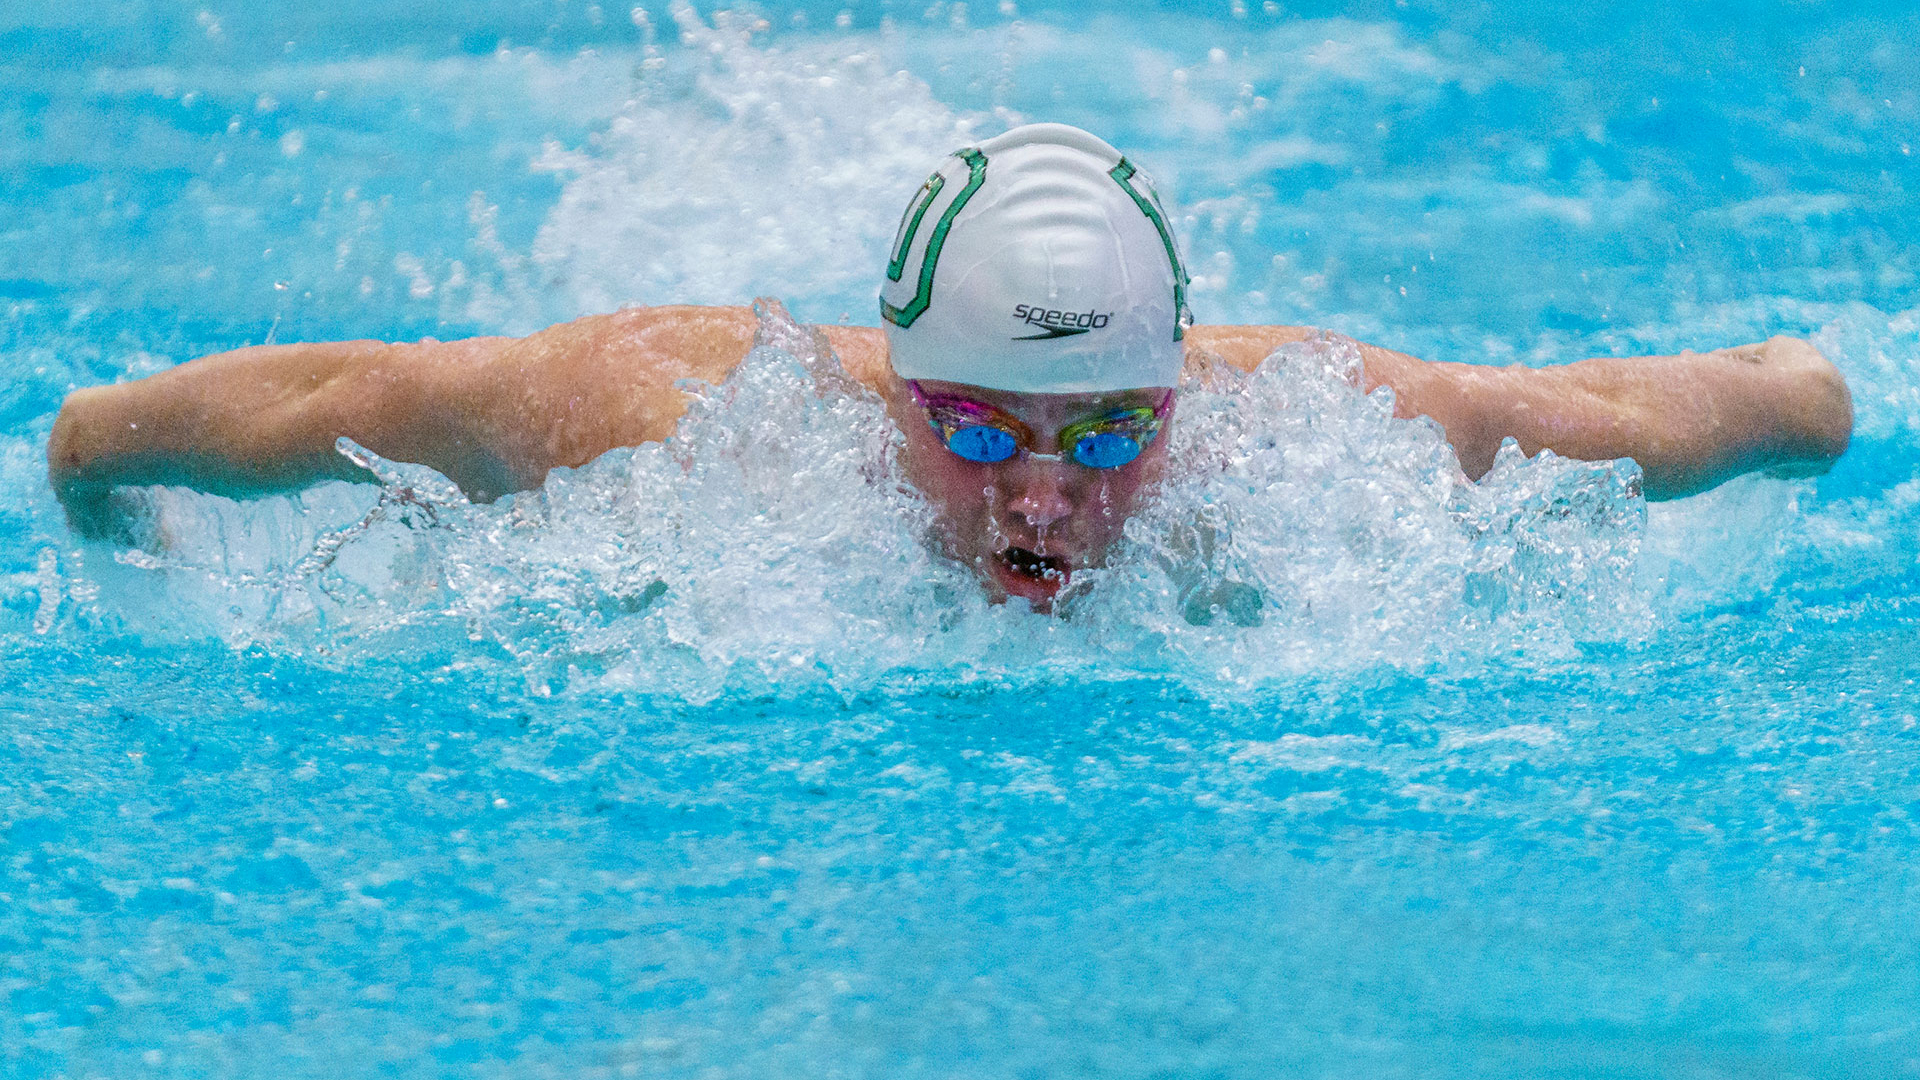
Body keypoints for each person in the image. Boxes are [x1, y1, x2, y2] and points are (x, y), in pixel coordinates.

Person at [46, 123, 1854, 608]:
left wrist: (1823, 402)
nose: (1046, 494)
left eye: (1111, 429)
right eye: (979, 423)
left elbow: (1653, 412)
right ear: (897, 389)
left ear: (1180, 397)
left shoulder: (1315, 433)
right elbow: (325, 405)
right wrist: (93, 459)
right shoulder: (670, 417)